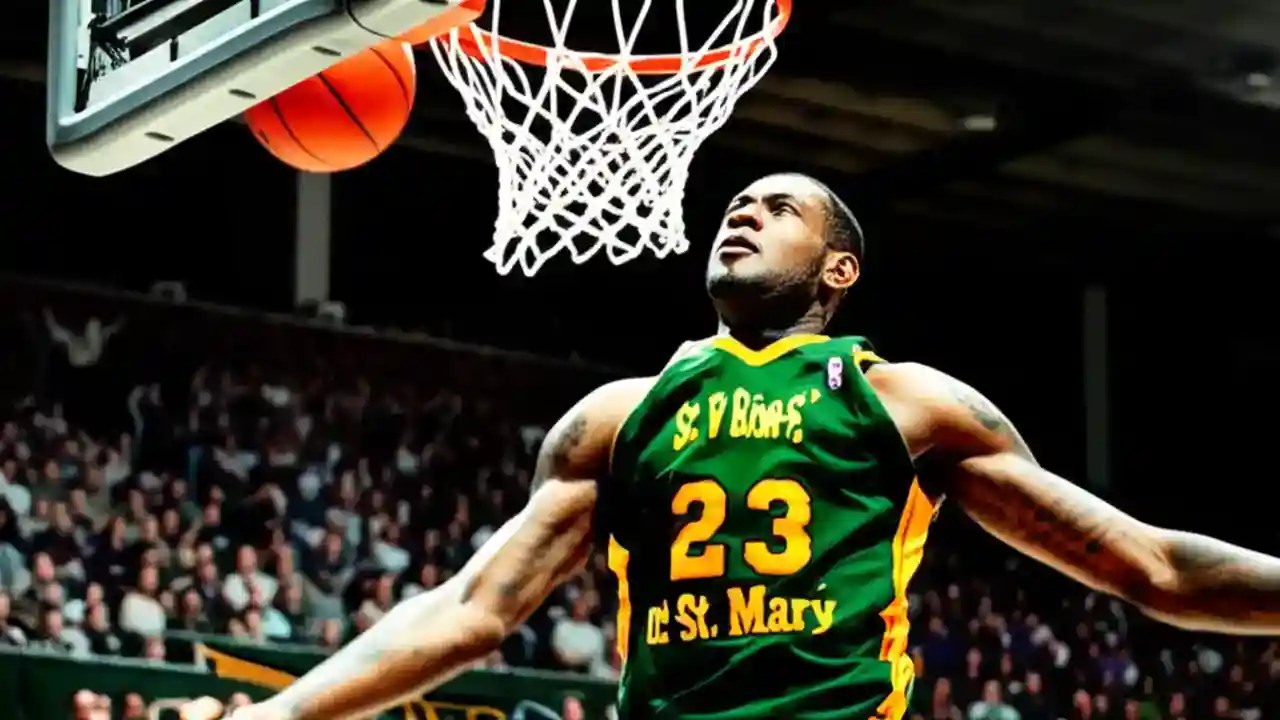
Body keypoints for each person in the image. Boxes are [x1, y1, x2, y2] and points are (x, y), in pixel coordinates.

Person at [180, 174, 1280, 720]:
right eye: (737, 205)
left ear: (836, 270)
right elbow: (473, 609)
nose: (743, 213)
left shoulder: (905, 405)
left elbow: (1150, 568)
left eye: (779, 208)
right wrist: (277, 714)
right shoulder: (620, 416)